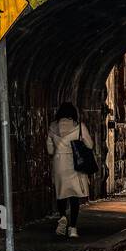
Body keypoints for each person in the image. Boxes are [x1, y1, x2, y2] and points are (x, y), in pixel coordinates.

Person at [46, 102, 94, 239]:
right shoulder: (79, 127)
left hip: (59, 164)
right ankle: (73, 228)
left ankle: (62, 217)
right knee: (74, 197)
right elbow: (89, 145)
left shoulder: (53, 127)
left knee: (61, 193)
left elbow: (50, 149)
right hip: (74, 164)